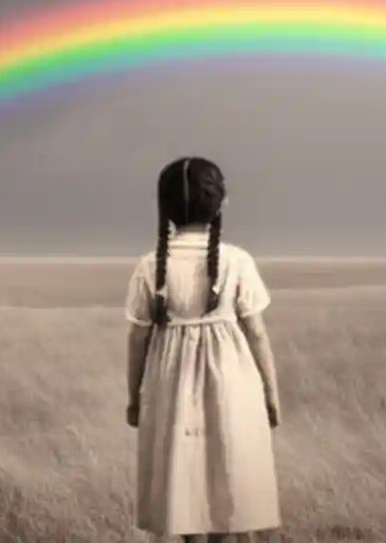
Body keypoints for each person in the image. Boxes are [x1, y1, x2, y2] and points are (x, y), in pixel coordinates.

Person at [125, 156, 282, 542]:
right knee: (231, 478)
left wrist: (134, 398)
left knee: (185, 481)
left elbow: (137, 339)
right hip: (234, 382)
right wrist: (271, 393)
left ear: (164, 207)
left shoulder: (150, 265)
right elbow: (257, 333)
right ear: (220, 203)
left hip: (169, 386)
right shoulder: (238, 261)